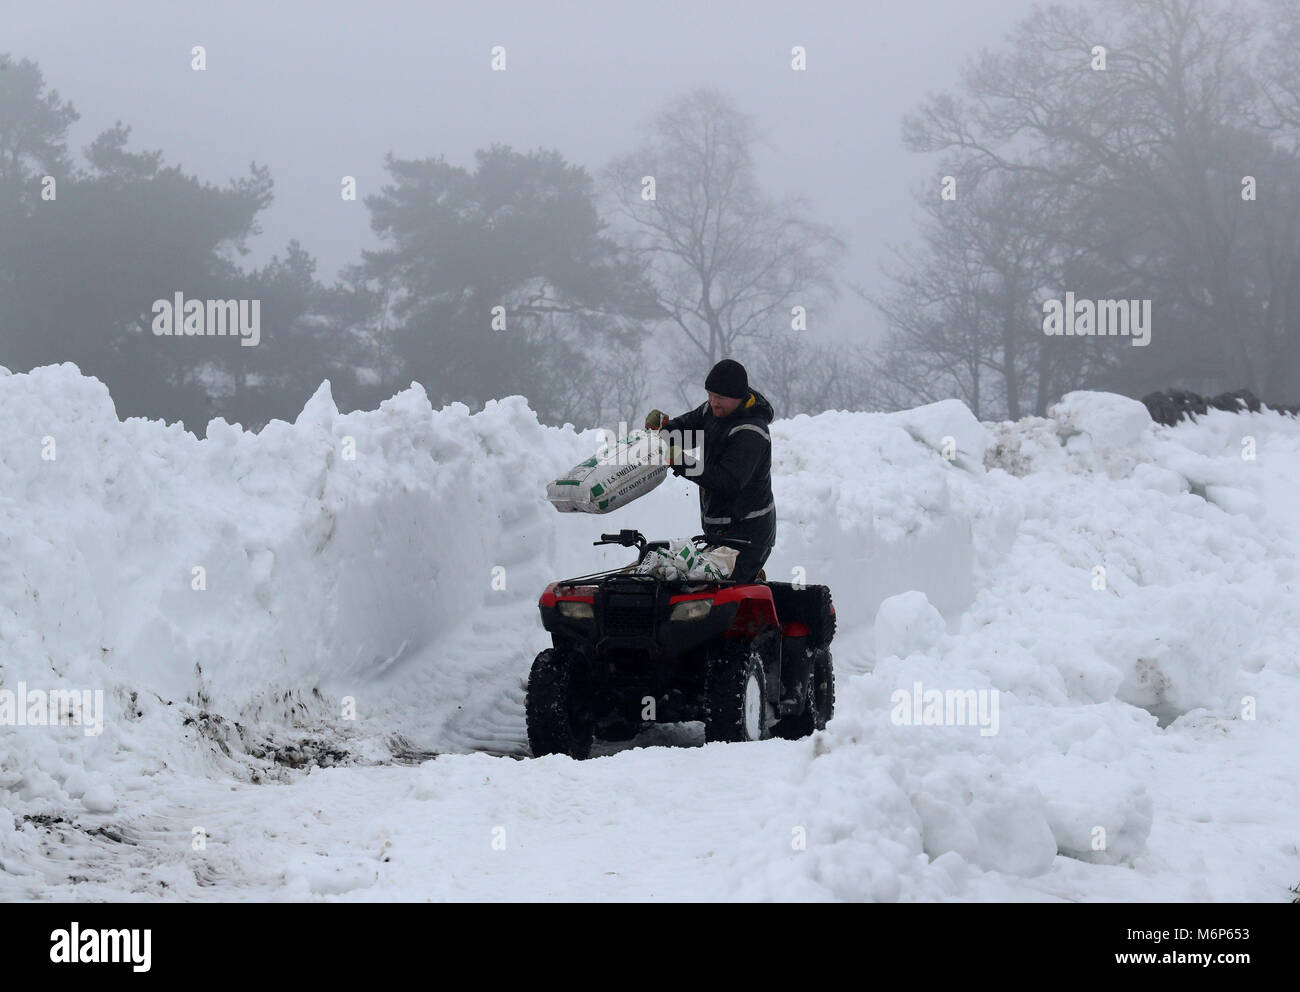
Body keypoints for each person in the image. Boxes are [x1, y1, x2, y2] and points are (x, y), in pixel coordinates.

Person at [645, 359, 776, 583]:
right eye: (710, 395)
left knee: (708, 590)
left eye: (720, 398)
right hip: (718, 531)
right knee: (694, 584)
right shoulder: (711, 412)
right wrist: (662, 430)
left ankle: (750, 581)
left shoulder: (752, 431)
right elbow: (683, 432)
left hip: (748, 536)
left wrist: (679, 460)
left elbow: (727, 481)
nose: (714, 403)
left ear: (738, 397)